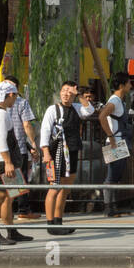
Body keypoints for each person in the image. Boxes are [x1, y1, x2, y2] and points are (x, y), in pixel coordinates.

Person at [0, 81, 32, 245]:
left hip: (3, 159)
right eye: (15, 96)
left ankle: (11, 231)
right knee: (3, 198)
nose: (15, 101)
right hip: (2, 161)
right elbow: (1, 140)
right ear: (11, 95)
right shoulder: (1, 114)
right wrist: (8, 163)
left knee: (11, 196)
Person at [39, 80, 82, 235]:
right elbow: (45, 129)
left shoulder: (77, 108)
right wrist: (45, 151)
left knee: (65, 189)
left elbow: (89, 110)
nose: (66, 94)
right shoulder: (53, 109)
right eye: (64, 90)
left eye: (70, 92)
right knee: (54, 188)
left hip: (73, 151)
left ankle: (59, 220)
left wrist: (80, 94)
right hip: (57, 152)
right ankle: (51, 224)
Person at [3, 75, 40, 221]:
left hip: (2, 149)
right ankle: (22, 209)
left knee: (10, 180)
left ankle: (7, 210)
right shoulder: (21, 102)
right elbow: (26, 124)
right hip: (18, 148)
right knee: (20, 179)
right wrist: (33, 143)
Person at [97, 73, 134, 218]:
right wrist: (111, 136)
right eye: (128, 83)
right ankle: (108, 208)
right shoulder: (115, 101)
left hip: (120, 142)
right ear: (121, 86)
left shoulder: (120, 101)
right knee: (112, 176)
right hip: (115, 143)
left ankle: (113, 206)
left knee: (117, 176)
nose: (130, 86)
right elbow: (102, 116)